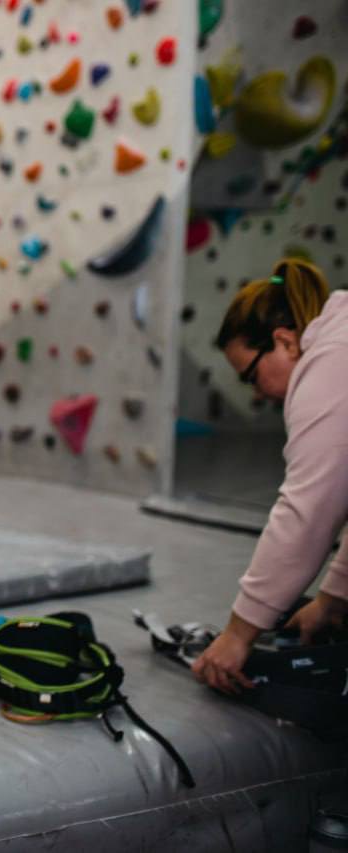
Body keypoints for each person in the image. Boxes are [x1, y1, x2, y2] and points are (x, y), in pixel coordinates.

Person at [192, 258, 348, 694]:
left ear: (284, 342)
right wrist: (332, 602)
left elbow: (306, 513)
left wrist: (239, 635)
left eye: (251, 376)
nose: (257, 393)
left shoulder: (329, 364)